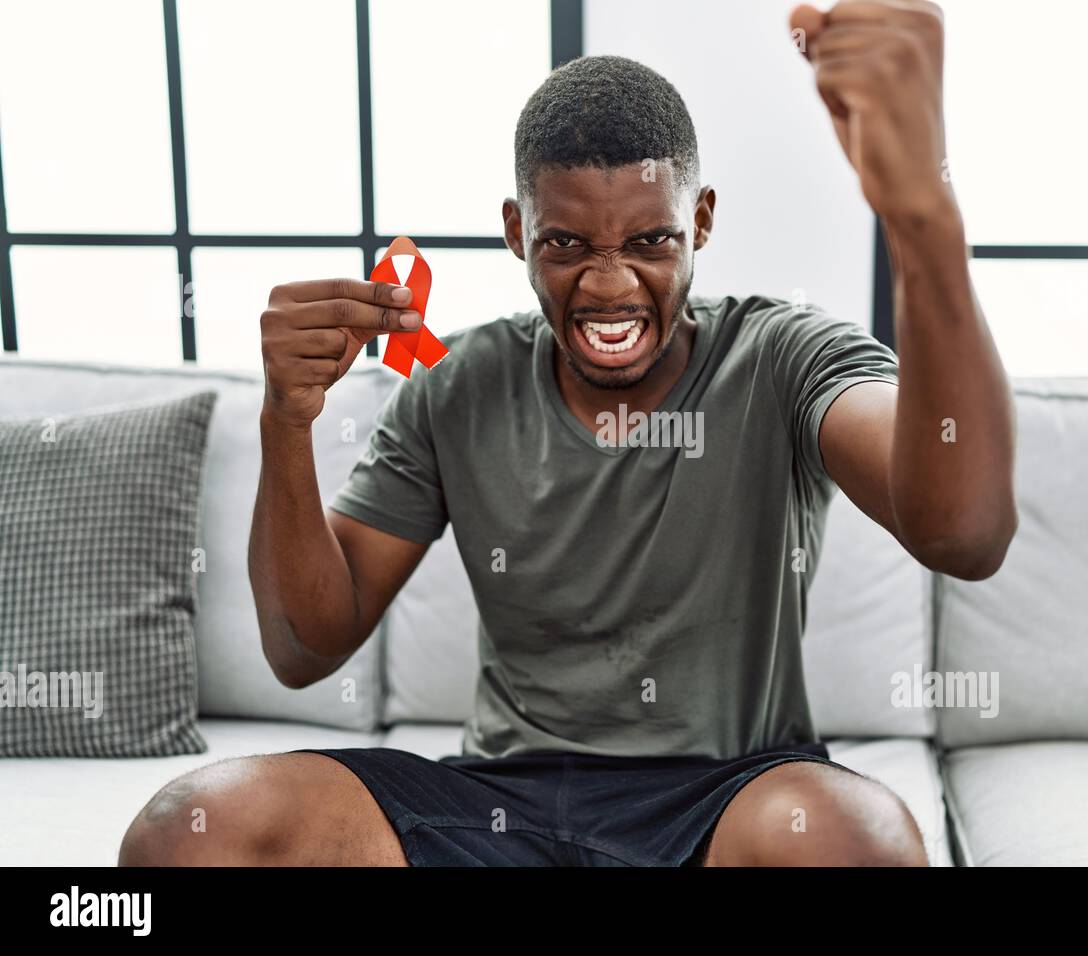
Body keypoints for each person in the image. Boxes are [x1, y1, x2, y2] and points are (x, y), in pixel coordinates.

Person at [120, 1, 1016, 867]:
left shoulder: (782, 357)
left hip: (726, 797)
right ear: (518, 232)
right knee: (190, 830)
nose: (610, 286)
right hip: (502, 799)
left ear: (702, 220)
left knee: (858, 840)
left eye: (652, 240)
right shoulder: (459, 384)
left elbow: (964, 535)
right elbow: (302, 648)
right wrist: (287, 419)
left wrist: (922, 225)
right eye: (568, 247)